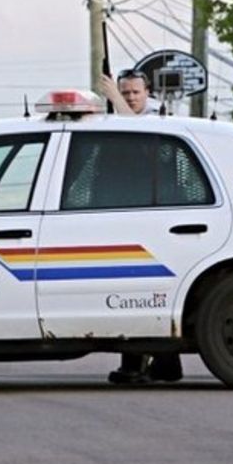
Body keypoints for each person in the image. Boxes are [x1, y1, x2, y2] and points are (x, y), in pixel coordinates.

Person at [99, 70, 182, 385]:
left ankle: (151, 365)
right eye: (126, 92)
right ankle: (148, 365)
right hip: (133, 217)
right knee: (132, 294)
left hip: (156, 222)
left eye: (135, 92)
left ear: (147, 92)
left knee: (146, 294)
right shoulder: (118, 115)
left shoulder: (157, 117)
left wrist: (115, 99)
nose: (131, 97)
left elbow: (136, 135)